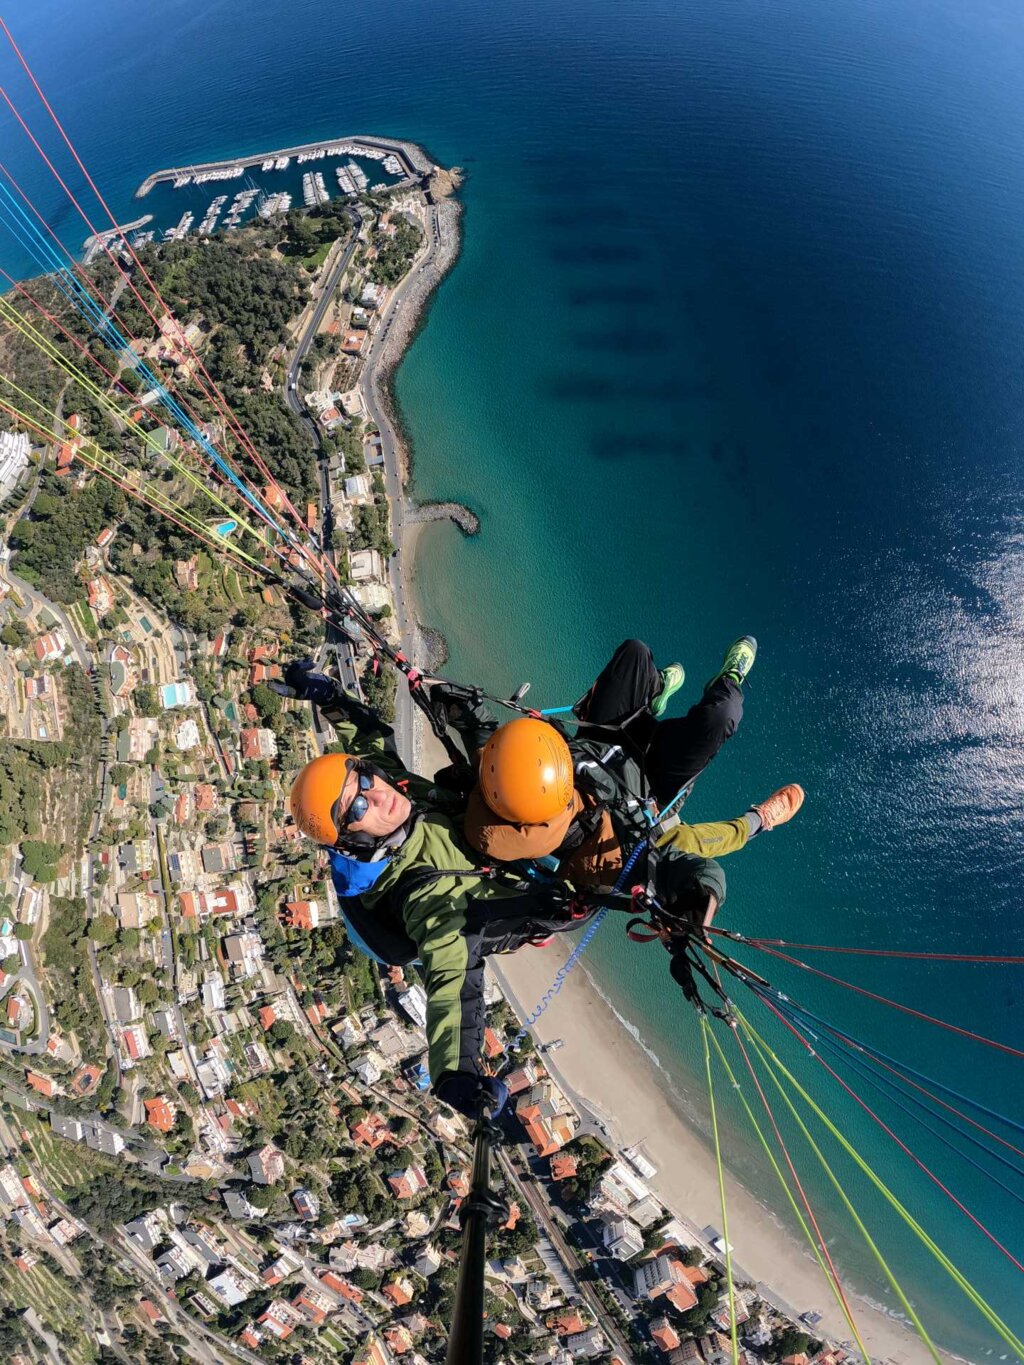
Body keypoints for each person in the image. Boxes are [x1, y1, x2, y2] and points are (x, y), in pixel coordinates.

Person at [280, 638, 803, 1115]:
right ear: (354, 840)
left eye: (365, 781)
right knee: (713, 750)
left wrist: (326, 694)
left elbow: (367, 741)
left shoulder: (402, 799)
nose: (376, 792)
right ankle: (747, 777)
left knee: (636, 657)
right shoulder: (428, 890)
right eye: (356, 809)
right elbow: (451, 974)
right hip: (629, 810)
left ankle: (650, 703)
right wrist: (455, 1075)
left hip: (595, 762)